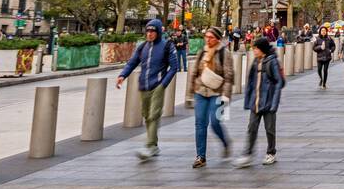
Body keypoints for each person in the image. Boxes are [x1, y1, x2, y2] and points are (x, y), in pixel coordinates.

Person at [116, 18, 180, 162]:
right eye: (148, 31)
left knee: (153, 115)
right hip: (143, 85)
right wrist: (122, 75)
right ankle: (154, 145)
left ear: (158, 32)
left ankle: (150, 145)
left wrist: (163, 84)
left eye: (153, 31)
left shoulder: (167, 46)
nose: (150, 34)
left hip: (157, 85)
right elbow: (133, 62)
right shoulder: (142, 46)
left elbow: (174, 67)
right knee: (146, 115)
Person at [186, 27, 233, 168]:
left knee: (215, 122)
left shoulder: (224, 53)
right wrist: (189, 94)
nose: (208, 39)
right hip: (200, 92)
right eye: (206, 37)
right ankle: (201, 156)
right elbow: (194, 73)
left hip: (217, 93)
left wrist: (226, 96)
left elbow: (229, 77)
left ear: (218, 39)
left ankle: (225, 143)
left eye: (211, 37)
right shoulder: (202, 52)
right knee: (200, 123)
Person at [235, 36, 284, 167]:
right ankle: (248, 154)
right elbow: (251, 82)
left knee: (269, 129)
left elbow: (279, 81)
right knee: (252, 128)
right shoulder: (256, 62)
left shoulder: (272, 62)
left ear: (262, 49)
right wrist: (248, 100)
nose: (254, 51)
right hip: (255, 101)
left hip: (268, 101)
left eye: (256, 48)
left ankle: (271, 152)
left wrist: (274, 102)